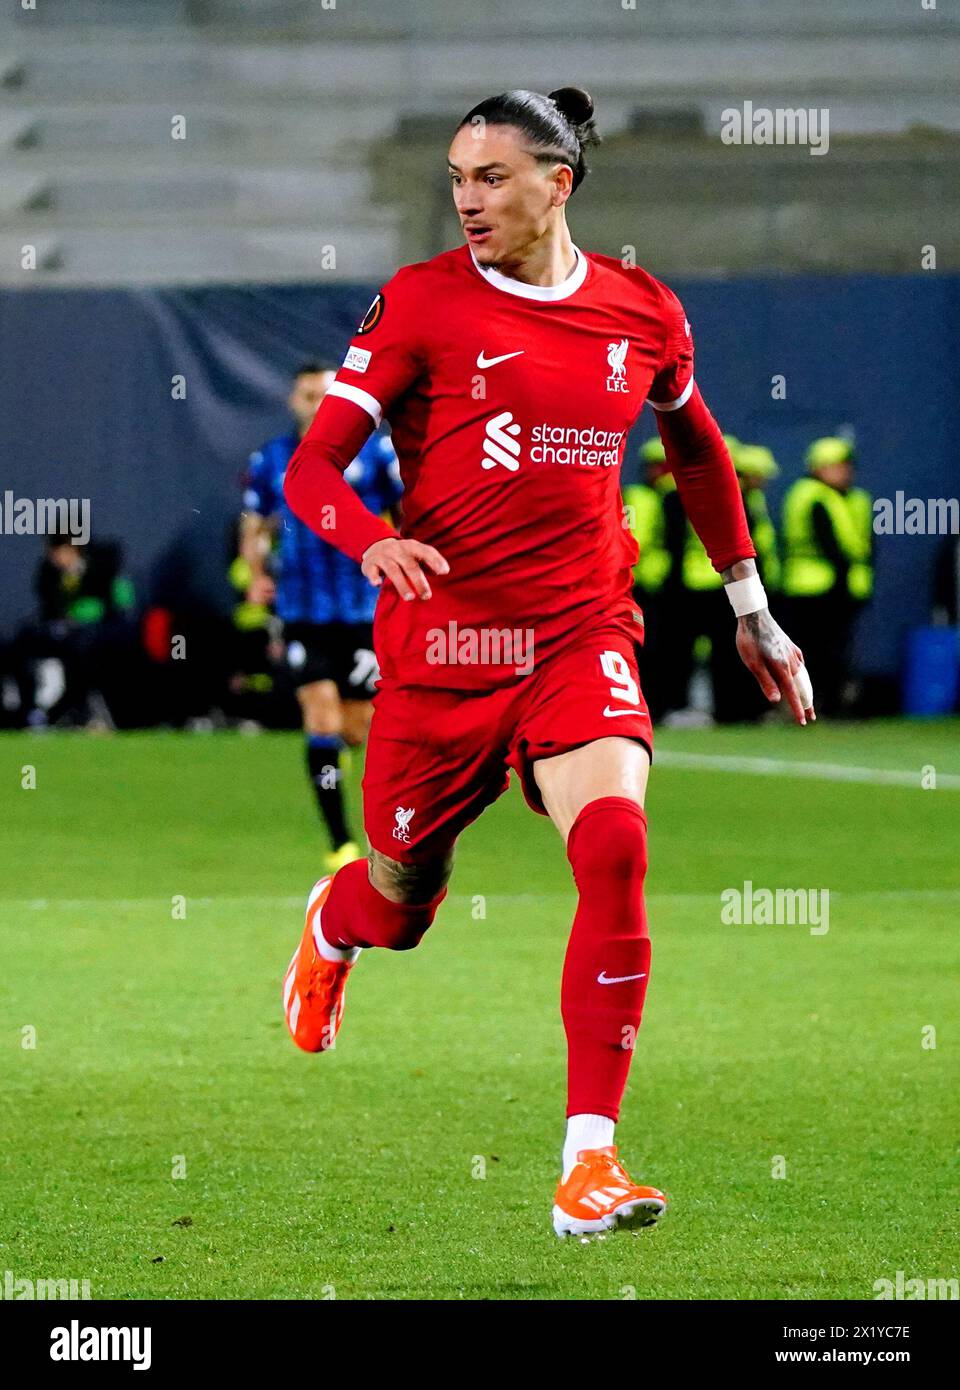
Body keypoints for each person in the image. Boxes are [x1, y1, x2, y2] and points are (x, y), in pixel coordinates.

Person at [279, 88, 812, 1239]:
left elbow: (701, 452)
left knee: (617, 843)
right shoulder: (421, 303)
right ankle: (337, 924)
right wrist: (369, 537)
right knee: (403, 898)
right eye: (459, 179)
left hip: (580, 632)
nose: (468, 199)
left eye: (493, 178)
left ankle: (590, 1162)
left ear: (556, 184)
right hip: (445, 649)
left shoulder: (641, 310)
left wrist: (753, 608)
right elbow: (313, 469)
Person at [241, 362, 402, 871]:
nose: (316, 404)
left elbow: (409, 512)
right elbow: (256, 523)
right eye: (308, 395)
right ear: (294, 401)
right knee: (320, 713)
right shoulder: (272, 459)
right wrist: (255, 571)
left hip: (363, 609)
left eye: (324, 396)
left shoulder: (375, 454)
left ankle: (341, 754)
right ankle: (341, 843)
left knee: (357, 727)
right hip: (301, 610)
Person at [781, 437, 872, 715]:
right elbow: (831, 545)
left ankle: (824, 703)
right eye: (838, 466)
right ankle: (817, 704)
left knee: (831, 650)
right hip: (816, 587)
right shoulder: (814, 496)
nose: (846, 472)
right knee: (819, 652)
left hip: (827, 586)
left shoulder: (841, 497)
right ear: (821, 467)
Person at [621, 437, 675, 720]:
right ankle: (640, 704)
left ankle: (659, 705)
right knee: (641, 648)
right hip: (636, 585)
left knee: (660, 650)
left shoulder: (667, 497)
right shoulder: (637, 497)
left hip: (660, 584)